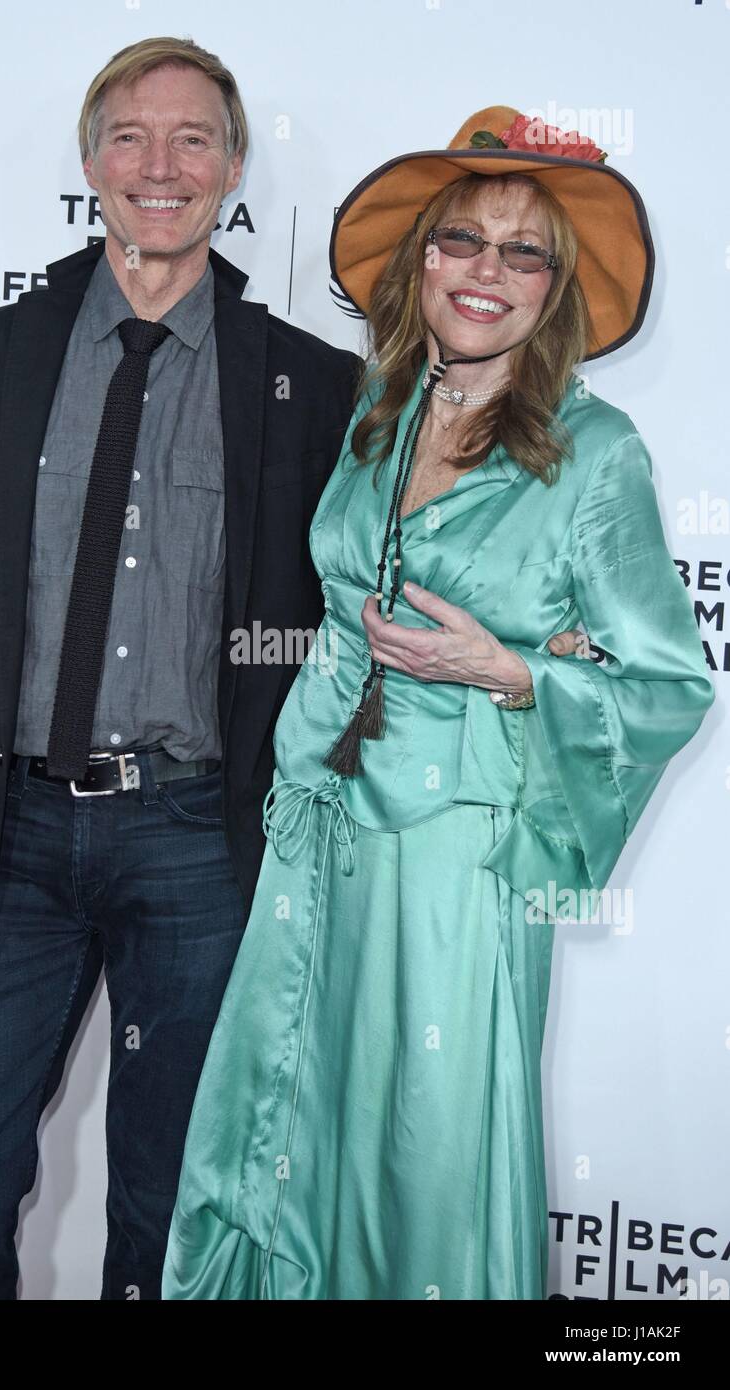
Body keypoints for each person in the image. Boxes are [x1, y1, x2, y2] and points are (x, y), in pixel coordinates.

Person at [161, 105, 716, 1300]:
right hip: (315, 829)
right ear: (419, 260)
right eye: (463, 240)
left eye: (525, 253)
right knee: (285, 1123)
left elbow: (671, 682)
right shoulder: (379, 413)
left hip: (458, 860)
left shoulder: (592, 450)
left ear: (554, 289)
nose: (488, 273)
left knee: (428, 1148)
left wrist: (513, 671)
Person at [0, 37, 365, 1300]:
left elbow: (350, 624)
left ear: (233, 168)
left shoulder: (313, 388)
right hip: (5, 831)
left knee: (176, 1193)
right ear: (89, 164)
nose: (159, 165)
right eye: (131, 138)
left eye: (192, 139)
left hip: (202, 838)